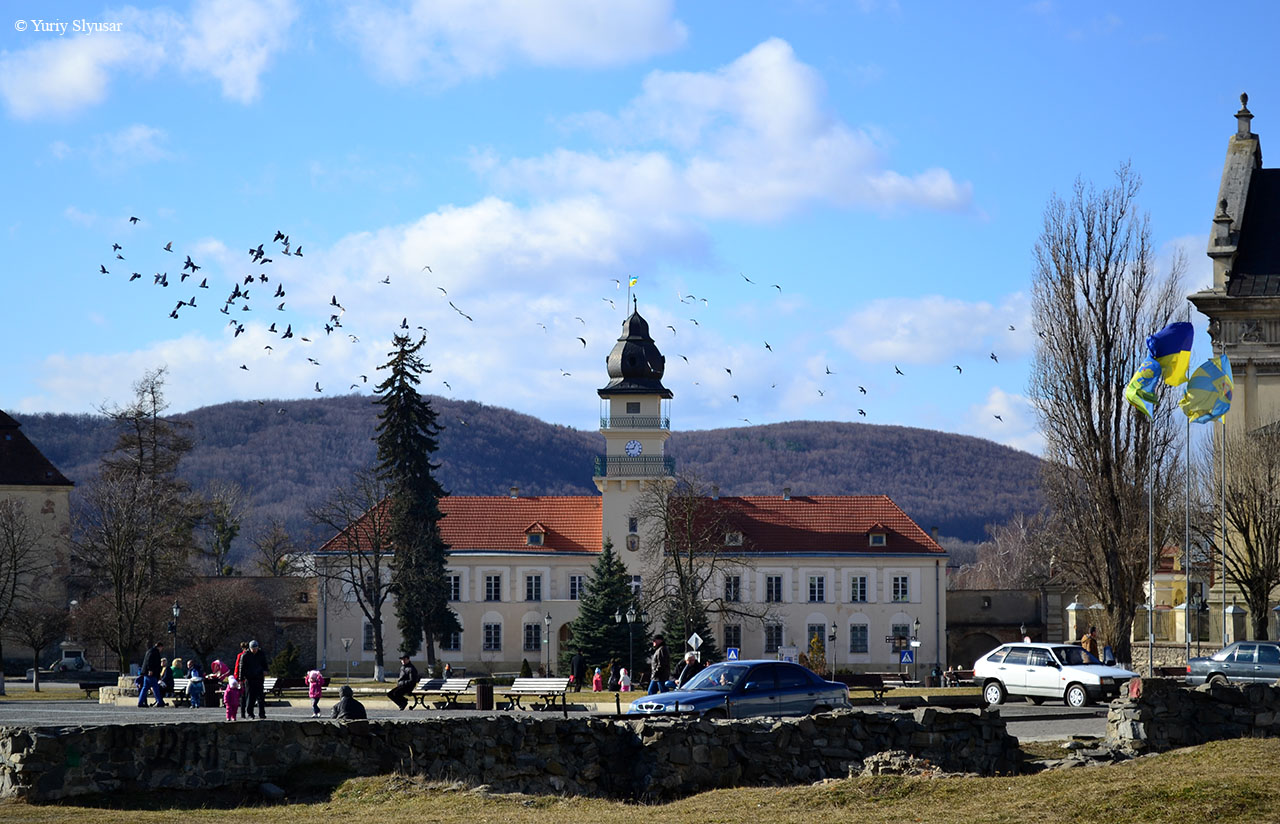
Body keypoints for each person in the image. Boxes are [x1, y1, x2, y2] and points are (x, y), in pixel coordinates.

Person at [240, 640, 268, 719]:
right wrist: (241, 679)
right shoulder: (245, 656)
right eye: (253, 648)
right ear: (250, 648)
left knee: (260, 697)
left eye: (256, 648)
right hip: (249, 679)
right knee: (250, 697)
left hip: (259, 677)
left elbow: (264, 664)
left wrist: (265, 670)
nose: (255, 650)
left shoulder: (261, 654)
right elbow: (242, 668)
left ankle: (262, 713)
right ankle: (250, 713)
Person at [137, 641, 166, 708]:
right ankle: (160, 702)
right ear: (160, 647)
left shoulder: (150, 651)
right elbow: (150, 661)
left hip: (146, 673)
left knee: (145, 688)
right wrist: (150, 670)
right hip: (151, 673)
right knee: (155, 687)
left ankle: (140, 702)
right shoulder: (154, 652)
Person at [232, 642, 250, 718]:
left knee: (244, 696)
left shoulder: (242, 655)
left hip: (246, 678)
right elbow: (237, 667)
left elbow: (236, 667)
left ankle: (244, 713)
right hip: (243, 678)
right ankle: (243, 713)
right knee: (243, 696)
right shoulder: (241, 656)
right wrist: (238, 678)